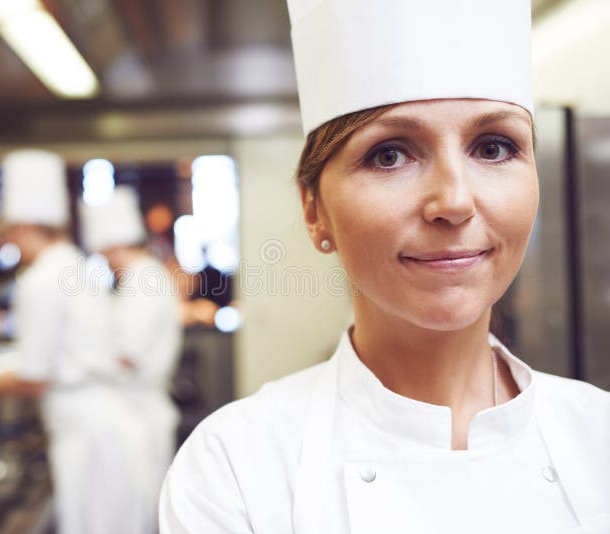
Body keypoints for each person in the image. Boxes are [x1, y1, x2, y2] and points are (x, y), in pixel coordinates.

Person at [158, 1, 610, 533]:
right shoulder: (234, 469)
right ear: (314, 210)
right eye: (390, 155)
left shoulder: (598, 437)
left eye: (493, 148)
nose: (454, 202)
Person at [0, 149, 139, 534]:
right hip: (109, 425)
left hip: (86, 437)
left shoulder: (39, 281)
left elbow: (34, 378)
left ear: (27, 225)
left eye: (9, 230)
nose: (7, 240)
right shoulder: (74, 264)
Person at [80, 186, 183, 534]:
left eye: (105, 253)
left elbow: (126, 355)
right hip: (137, 411)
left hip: (141, 413)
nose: (106, 261)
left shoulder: (144, 280)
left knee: (137, 516)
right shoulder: (141, 277)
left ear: (115, 246)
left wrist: (77, 365)